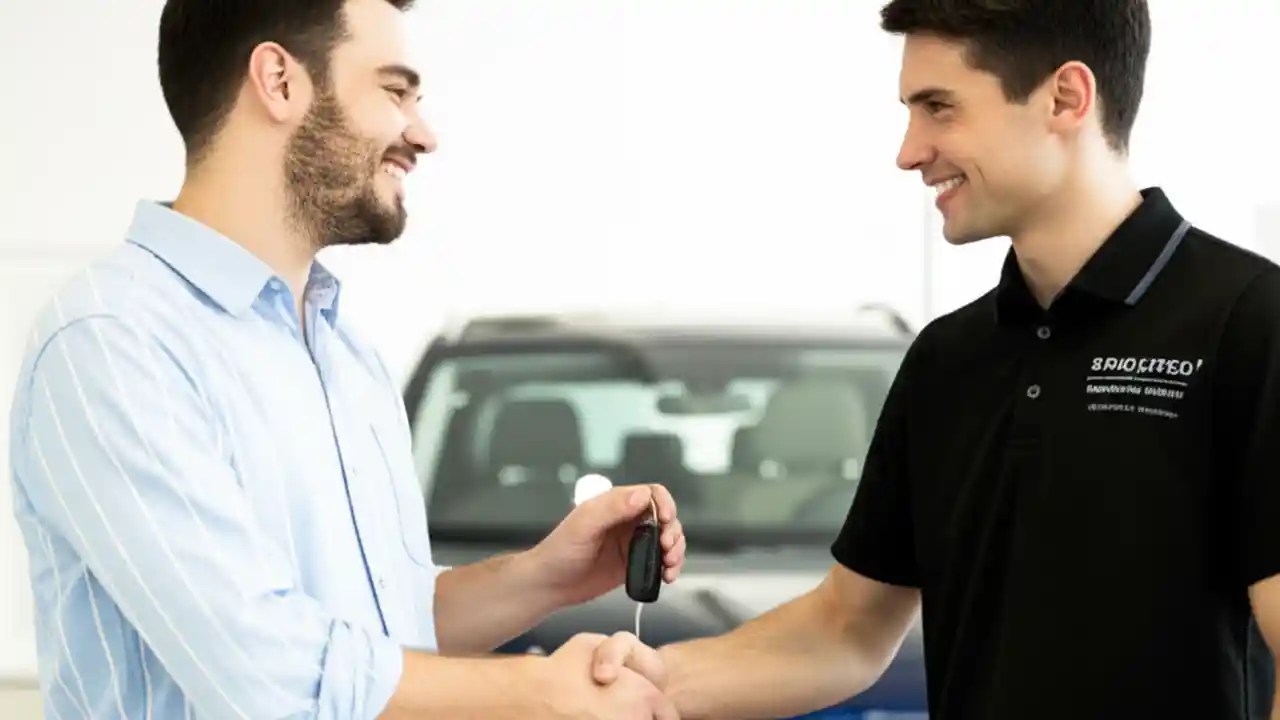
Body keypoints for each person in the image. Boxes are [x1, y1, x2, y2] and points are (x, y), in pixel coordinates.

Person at [590, 1, 1280, 718]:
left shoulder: (1250, 324)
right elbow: (844, 631)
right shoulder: (949, 359)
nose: (909, 150)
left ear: (1065, 97)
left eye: (939, 107)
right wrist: (647, 682)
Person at [6, 0, 687, 718]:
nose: (422, 134)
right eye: (396, 91)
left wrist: (543, 579)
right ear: (278, 80)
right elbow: (267, 672)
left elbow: (386, 633)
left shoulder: (343, 353)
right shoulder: (112, 342)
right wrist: (538, 693)